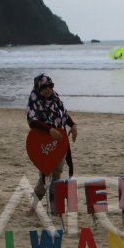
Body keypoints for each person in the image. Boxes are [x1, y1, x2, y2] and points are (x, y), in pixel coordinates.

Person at [26, 73, 78, 211]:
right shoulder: (34, 101)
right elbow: (32, 121)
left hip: (59, 142)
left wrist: (73, 125)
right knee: (45, 173)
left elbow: (64, 114)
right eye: (43, 87)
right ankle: (34, 207)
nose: (48, 89)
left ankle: (54, 205)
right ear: (38, 88)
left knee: (57, 173)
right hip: (43, 143)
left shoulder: (56, 98)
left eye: (50, 85)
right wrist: (49, 130)